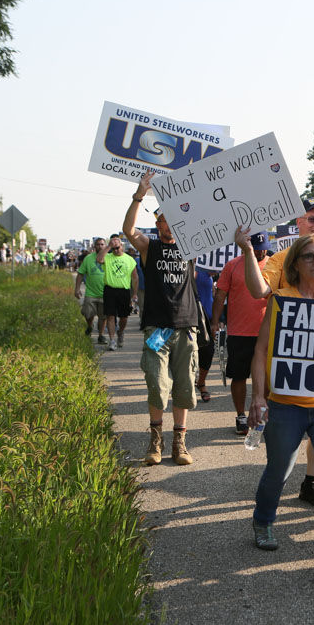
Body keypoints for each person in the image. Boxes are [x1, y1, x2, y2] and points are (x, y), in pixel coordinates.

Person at [243, 232, 314, 588]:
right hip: (285, 404)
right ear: (295, 263)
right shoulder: (281, 300)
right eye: (308, 256)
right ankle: (263, 519)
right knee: (279, 469)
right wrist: (258, 397)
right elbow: (261, 351)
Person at [241, 197, 314, 507]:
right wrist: (248, 250)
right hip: (287, 380)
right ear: (298, 223)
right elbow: (259, 292)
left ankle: (312, 481)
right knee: (279, 467)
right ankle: (264, 516)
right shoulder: (283, 259)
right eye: (312, 218)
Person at [123, 171, 201, 467]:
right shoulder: (150, 247)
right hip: (157, 328)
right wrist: (139, 194)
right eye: (165, 219)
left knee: (184, 387)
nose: (171, 224)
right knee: (156, 384)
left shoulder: (192, 245)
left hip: (186, 328)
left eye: (174, 219)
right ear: (158, 224)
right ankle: (155, 441)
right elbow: (128, 229)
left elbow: (214, 224)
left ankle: (179, 443)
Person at [213, 233, 271, 436]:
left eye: (262, 247)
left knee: (265, 378)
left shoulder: (275, 264)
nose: (259, 251)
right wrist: (215, 322)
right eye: (255, 247)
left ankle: (263, 414)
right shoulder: (233, 265)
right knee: (238, 376)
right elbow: (220, 294)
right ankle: (241, 415)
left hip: (266, 332)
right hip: (239, 331)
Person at [103, 234, 138, 351]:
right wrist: (108, 246)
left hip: (124, 291)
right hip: (110, 289)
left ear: (122, 246)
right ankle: (112, 340)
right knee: (110, 315)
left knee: (124, 317)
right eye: (114, 249)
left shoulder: (129, 259)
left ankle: (121, 332)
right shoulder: (108, 257)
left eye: (117, 248)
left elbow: (135, 277)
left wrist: (134, 293)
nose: (116, 250)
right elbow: (99, 259)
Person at [74, 237, 107, 342]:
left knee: (103, 317)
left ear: (105, 246)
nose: (100, 246)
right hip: (91, 293)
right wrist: (77, 288)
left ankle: (101, 335)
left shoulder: (110, 258)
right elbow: (80, 274)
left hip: (105, 293)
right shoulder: (88, 258)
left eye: (102, 244)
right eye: (98, 244)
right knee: (87, 313)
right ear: (94, 246)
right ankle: (90, 326)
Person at [194, 265, 216, 403]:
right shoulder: (184, 262)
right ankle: (185, 386)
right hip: (187, 316)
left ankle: (201, 382)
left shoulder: (206, 263)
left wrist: (218, 319)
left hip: (207, 318)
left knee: (208, 351)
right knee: (186, 353)